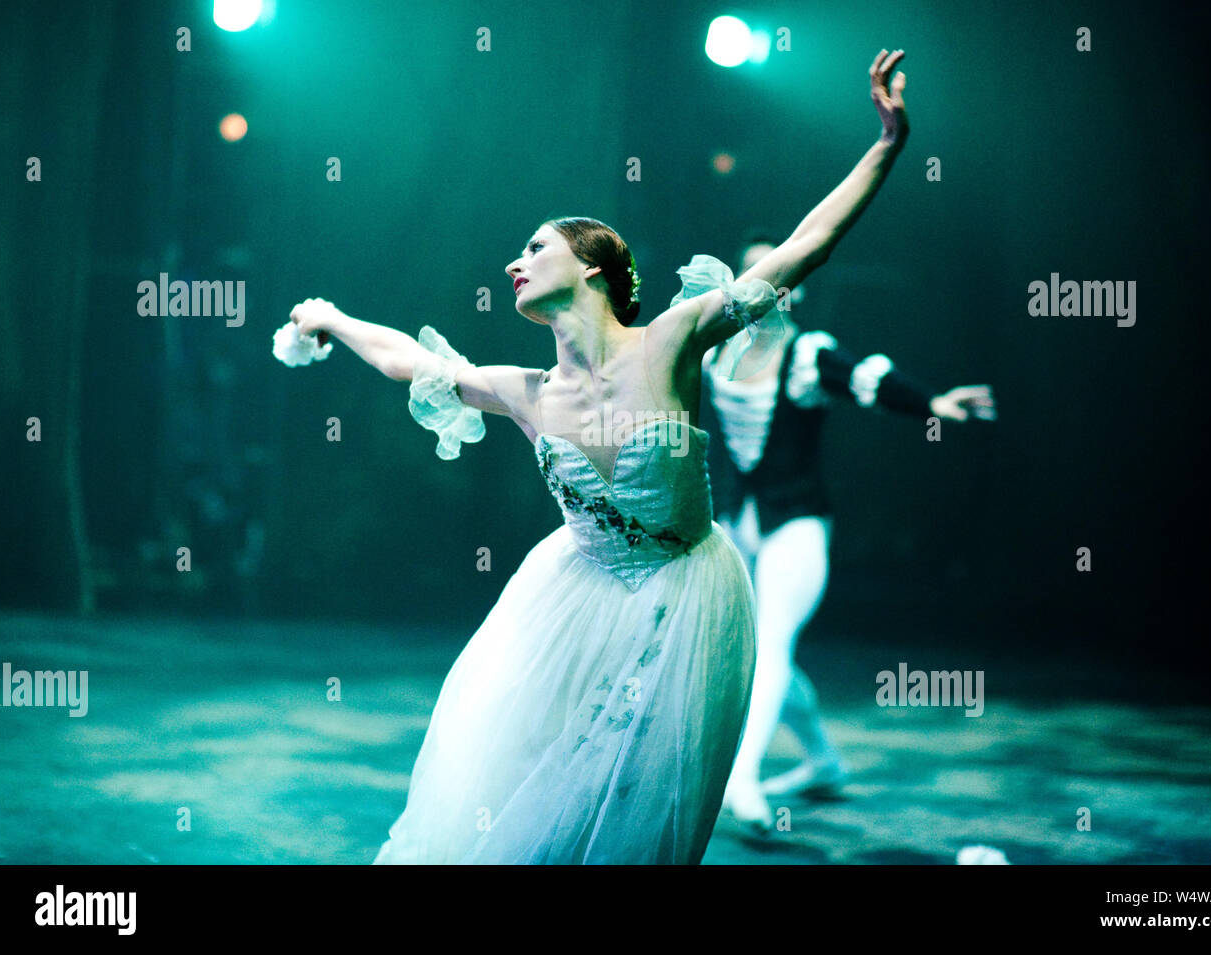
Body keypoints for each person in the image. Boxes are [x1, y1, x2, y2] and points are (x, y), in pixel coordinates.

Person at [282, 49, 913, 864]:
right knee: (530, 785)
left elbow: (805, 246)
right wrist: (332, 317)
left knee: (643, 812)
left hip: (691, 595)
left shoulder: (676, 338)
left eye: (534, 246)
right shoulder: (526, 389)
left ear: (590, 266)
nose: (514, 261)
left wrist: (888, 143)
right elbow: (412, 363)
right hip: (574, 599)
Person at [708, 235, 997, 832]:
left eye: (775, 275)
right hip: (738, 523)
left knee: (772, 643)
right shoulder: (713, 355)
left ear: (793, 289)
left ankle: (742, 776)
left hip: (798, 522)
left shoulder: (808, 354)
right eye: (752, 273)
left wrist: (934, 402)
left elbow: (866, 378)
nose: (762, 285)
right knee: (752, 653)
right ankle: (822, 761)